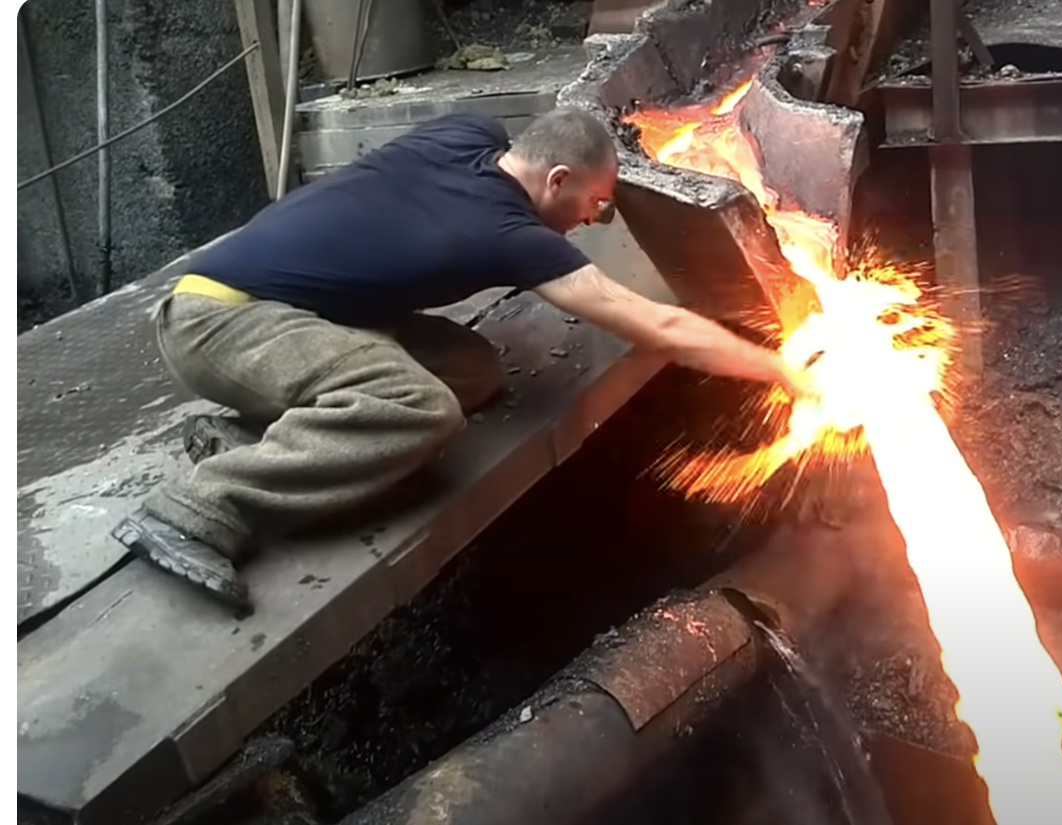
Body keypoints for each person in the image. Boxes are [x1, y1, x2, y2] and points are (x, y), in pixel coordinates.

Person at [111, 106, 816, 617]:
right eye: (596, 207)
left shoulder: (468, 134)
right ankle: (201, 508)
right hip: (221, 317)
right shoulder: (509, 235)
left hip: (302, 311)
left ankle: (270, 438)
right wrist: (784, 371)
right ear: (558, 178)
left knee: (472, 370)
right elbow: (660, 324)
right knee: (421, 407)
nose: (591, 222)